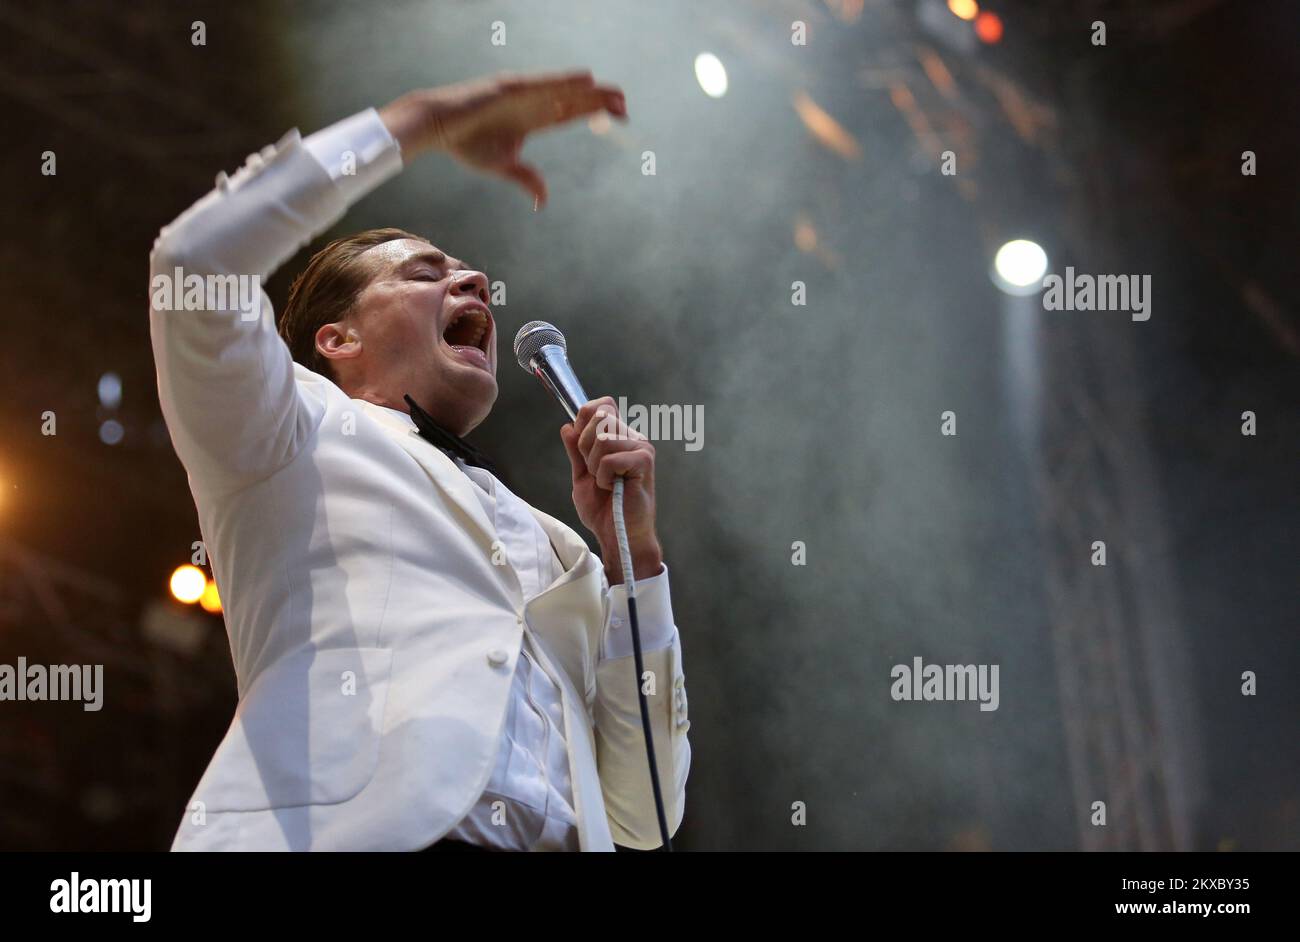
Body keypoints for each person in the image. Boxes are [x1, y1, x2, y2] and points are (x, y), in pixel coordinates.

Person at [150, 71, 690, 851]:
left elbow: (645, 814)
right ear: (338, 340)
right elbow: (193, 264)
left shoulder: (562, 545)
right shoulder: (290, 430)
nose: (474, 281)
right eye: (424, 274)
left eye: (467, 276)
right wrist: (426, 121)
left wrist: (632, 557)